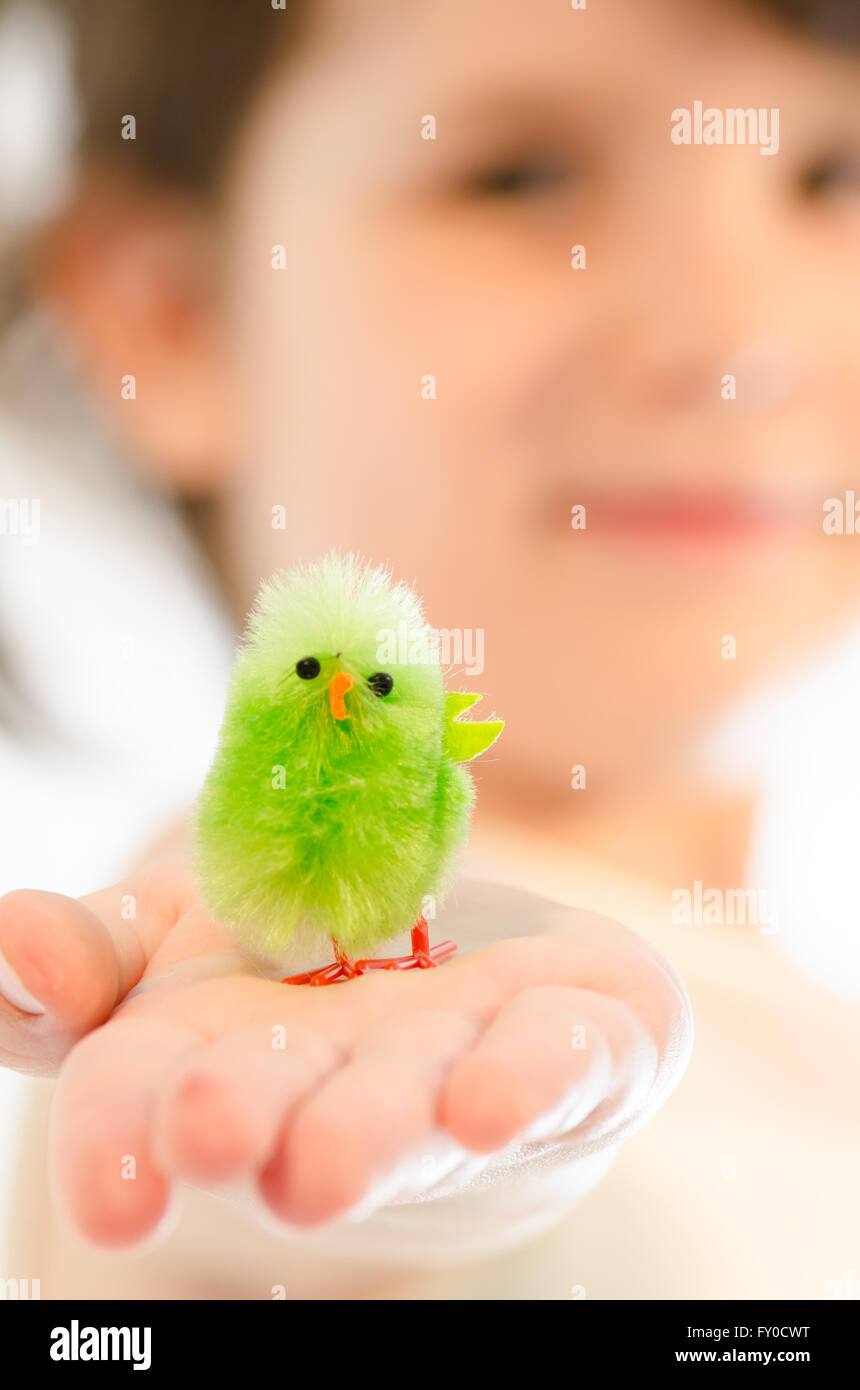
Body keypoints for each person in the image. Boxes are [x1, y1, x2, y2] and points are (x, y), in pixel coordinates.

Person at [0, 0, 858, 1298]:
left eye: (835, 175)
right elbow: (267, 1195)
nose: (739, 344)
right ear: (171, 316)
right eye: (521, 176)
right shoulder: (280, 977)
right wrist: (374, 1192)